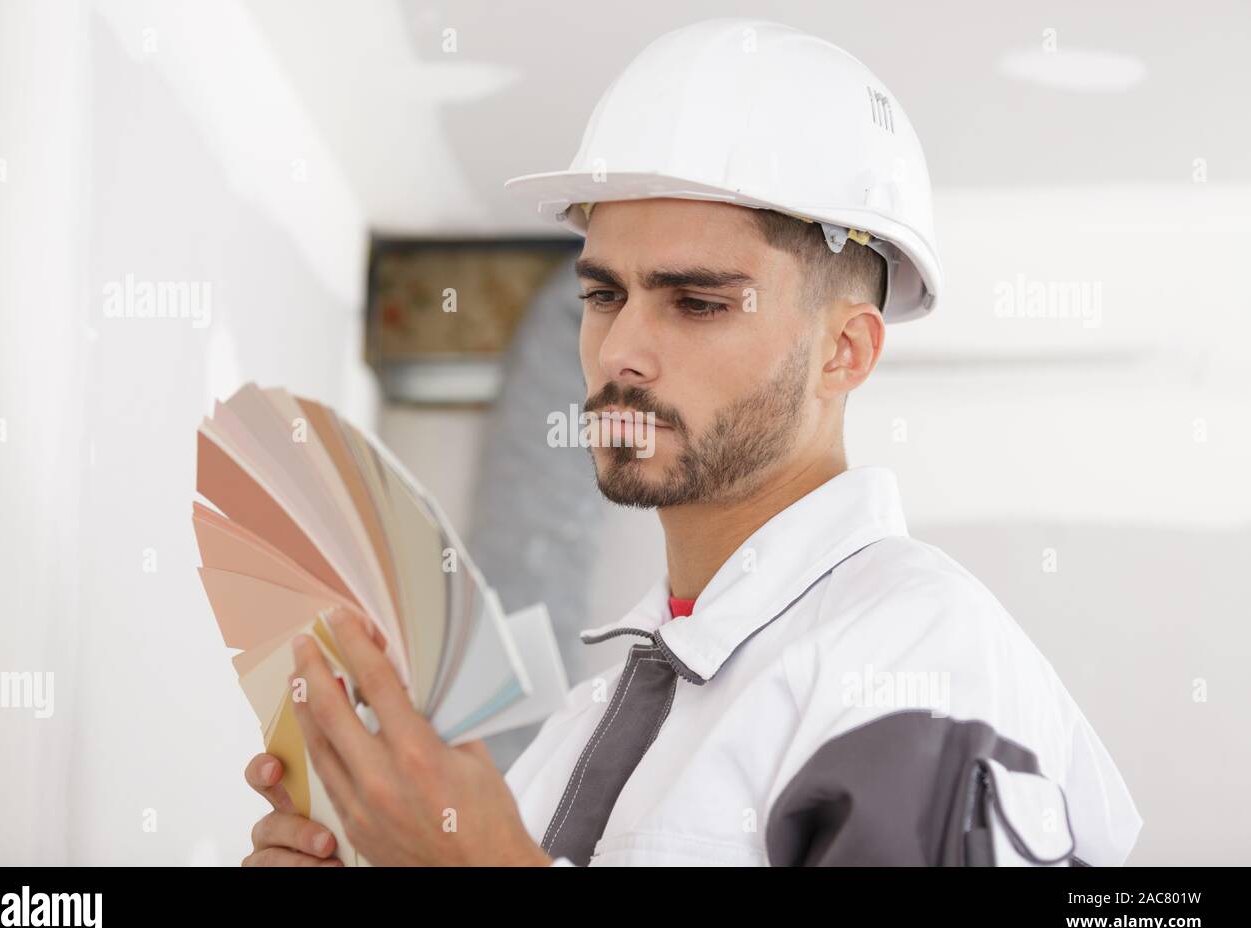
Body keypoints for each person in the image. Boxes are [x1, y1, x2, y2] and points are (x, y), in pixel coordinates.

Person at [242, 17, 1142, 867]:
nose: (620, 351)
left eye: (698, 302)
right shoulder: (574, 740)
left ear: (844, 351)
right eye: (603, 295)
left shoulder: (918, 658)